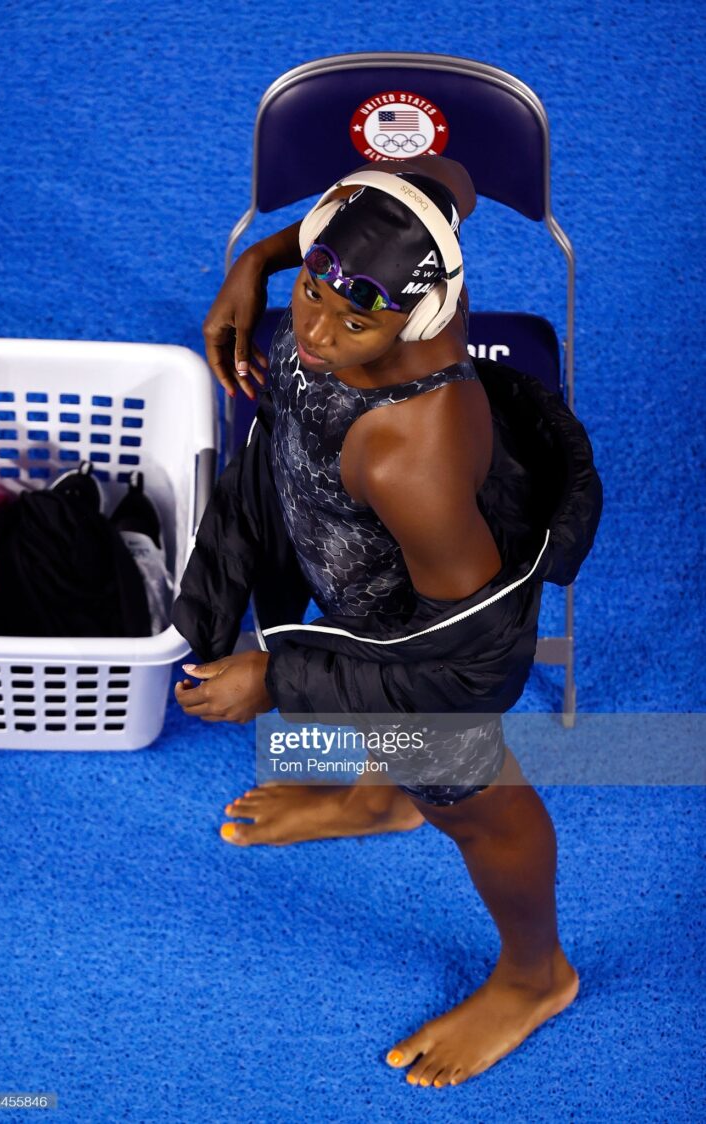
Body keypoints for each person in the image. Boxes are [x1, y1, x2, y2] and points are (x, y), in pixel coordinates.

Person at [173, 155, 593, 1089]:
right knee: (376, 685)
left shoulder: (413, 458)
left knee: (473, 798)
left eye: (352, 320)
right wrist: (260, 262)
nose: (315, 332)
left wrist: (279, 676)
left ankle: (536, 976)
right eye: (311, 292)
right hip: (358, 580)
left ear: (423, 316)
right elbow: (442, 176)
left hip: (428, 649)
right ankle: (380, 798)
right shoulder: (393, 253)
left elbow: (466, 668)